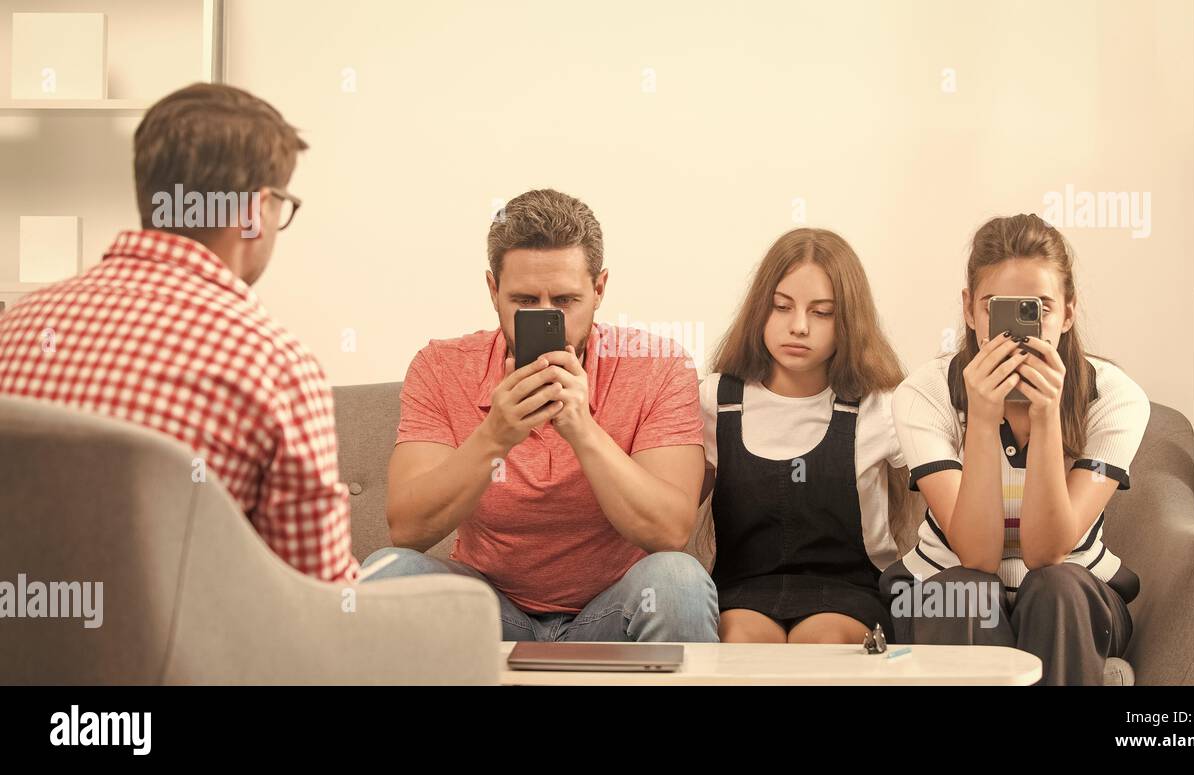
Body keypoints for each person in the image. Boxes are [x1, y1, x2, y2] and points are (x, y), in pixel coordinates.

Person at [0, 83, 358, 582]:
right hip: (174, 659)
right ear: (256, 211)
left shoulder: (14, 328)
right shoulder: (275, 364)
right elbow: (318, 599)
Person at [364, 188, 718, 643]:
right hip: (491, 614)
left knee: (678, 580)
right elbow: (407, 530)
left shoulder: (659, 366)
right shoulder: (440, 366)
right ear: (493, 291)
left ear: (600, 288)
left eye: (565, 301)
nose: (546, 316)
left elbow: (669, 532)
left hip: (613, 611)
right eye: (525, 301)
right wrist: (495, 435)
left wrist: (582, 431)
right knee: (387, 573)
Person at [881, 213, 1150, 685]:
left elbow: (1048, 553)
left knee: (1057, 587)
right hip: (945, 585)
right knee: (964, 593)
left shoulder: (1114, 396)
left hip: (1073, 592)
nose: (1022, 327)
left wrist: (1047, 420)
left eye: (1039, 307)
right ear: (969, 310)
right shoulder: (924, 394)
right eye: (996, 307)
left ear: (1068, 311)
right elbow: (977, 556)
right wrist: (983, 420)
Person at [698, 228, 912, 644]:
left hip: (849, 594)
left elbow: (947, 498)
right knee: (741, 641)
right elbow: (671, 515)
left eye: (822, 312)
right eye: (781, 307)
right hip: (740, 592)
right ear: (760, 308)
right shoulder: (716, 399)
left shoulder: (880, 405)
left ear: (848, 320)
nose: (798, 327)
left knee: (822, 643)